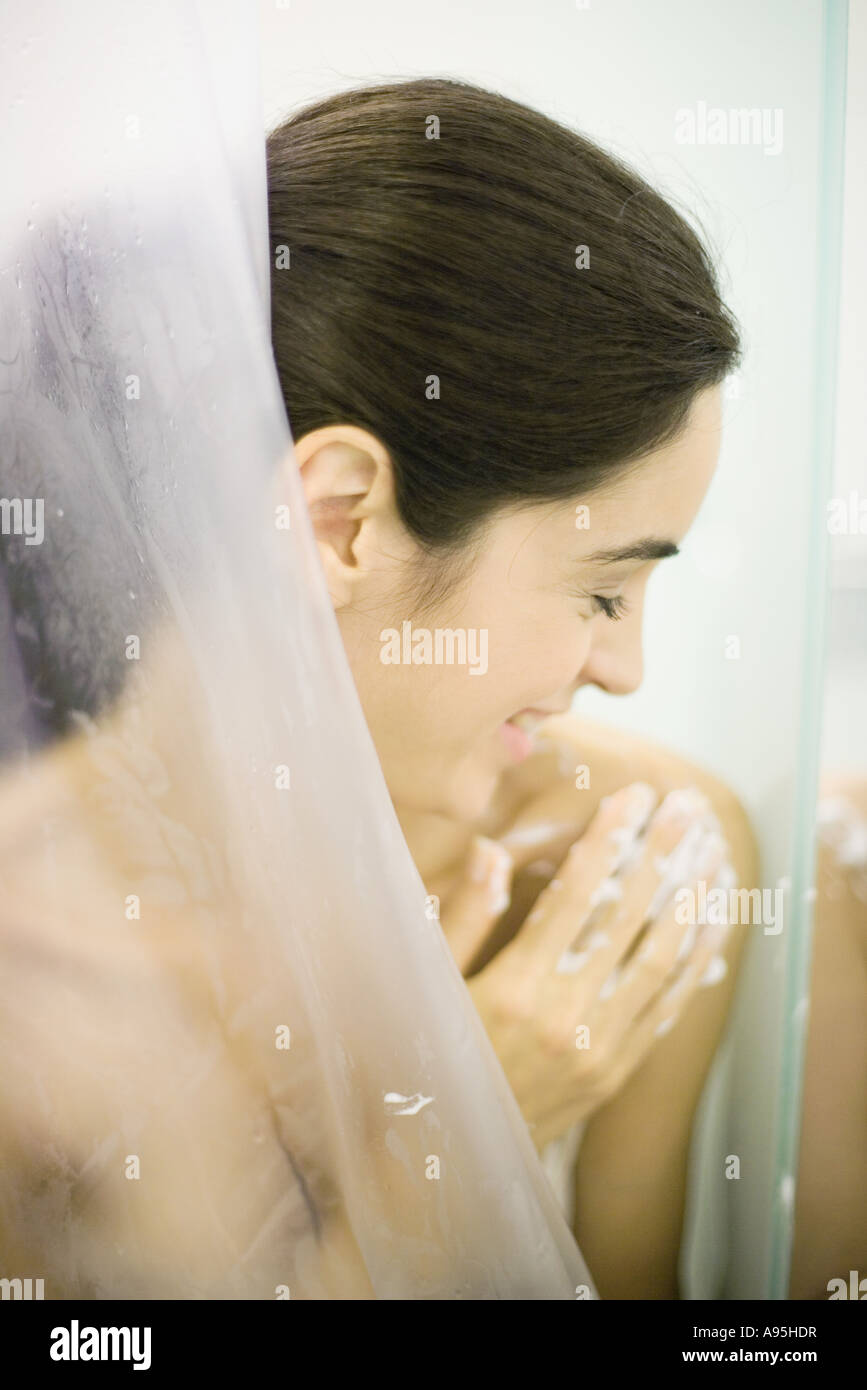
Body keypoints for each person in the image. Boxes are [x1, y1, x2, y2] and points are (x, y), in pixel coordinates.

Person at [265, 77, 760, 1298]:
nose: (627, 671)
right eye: (603, 593)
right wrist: (441, 1156)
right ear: (341, 521)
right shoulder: (57, 945)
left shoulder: (632, 859)